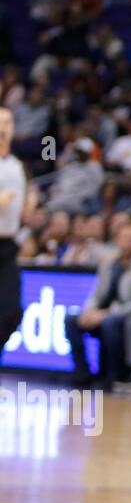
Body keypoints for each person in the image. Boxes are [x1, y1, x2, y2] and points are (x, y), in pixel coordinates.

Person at [64, 222, 131, 387]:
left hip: (127, 317)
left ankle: (113, 374)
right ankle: (82, 372)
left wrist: (106, 314)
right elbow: (97, 293)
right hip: (103, 313)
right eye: (127, 238)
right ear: (117, 240)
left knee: (110, 323)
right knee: (71, 319)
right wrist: (89, 310)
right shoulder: (108, 264)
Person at [0, 108, 24, 349]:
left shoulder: (16, 165)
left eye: (8, 122)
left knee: (12, 312)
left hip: (7, 246)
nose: (3, 127)